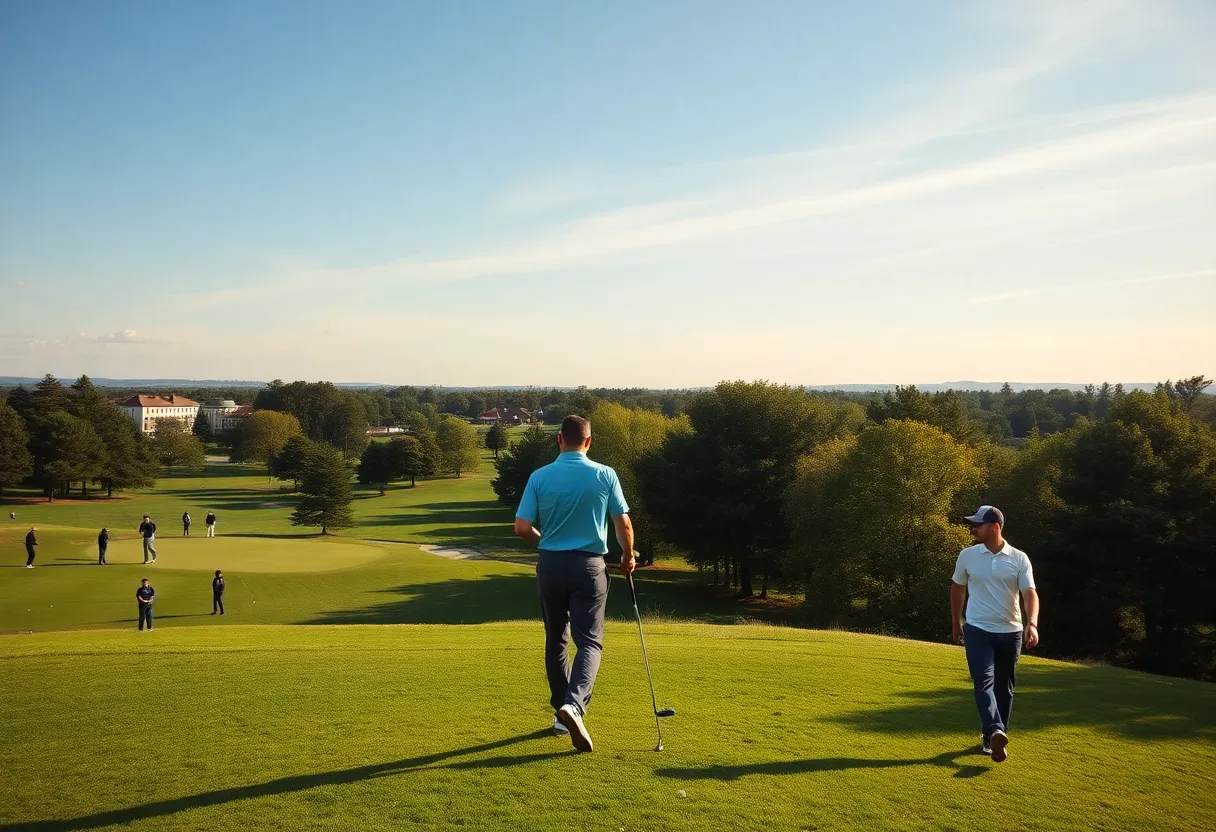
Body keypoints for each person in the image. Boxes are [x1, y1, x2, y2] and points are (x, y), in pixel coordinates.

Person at [513, 414, 634, 753]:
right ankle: (575, 706)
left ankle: (560, 713)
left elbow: (522, 528)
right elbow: (622, 523)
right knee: (590, 643)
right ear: (588, 441)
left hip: (550, 565)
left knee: (556, 639)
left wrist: (546, 542)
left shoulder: (540, 476)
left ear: (559, 441)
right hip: (589, 566)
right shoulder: (605, 474)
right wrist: (627, 556)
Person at [950, 505, 1040, 764]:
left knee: (1005, 687)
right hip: (977, 629)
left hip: (1011, 632)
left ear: (995, 527)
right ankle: (993, 732)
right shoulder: (967, 555)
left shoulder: (1019, 558)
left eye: (978, 524)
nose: (972, 528)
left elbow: (1029, 593)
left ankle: (997, 734)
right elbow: (957, 588)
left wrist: (1032, 624)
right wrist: (957, 624)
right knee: (983, 680)